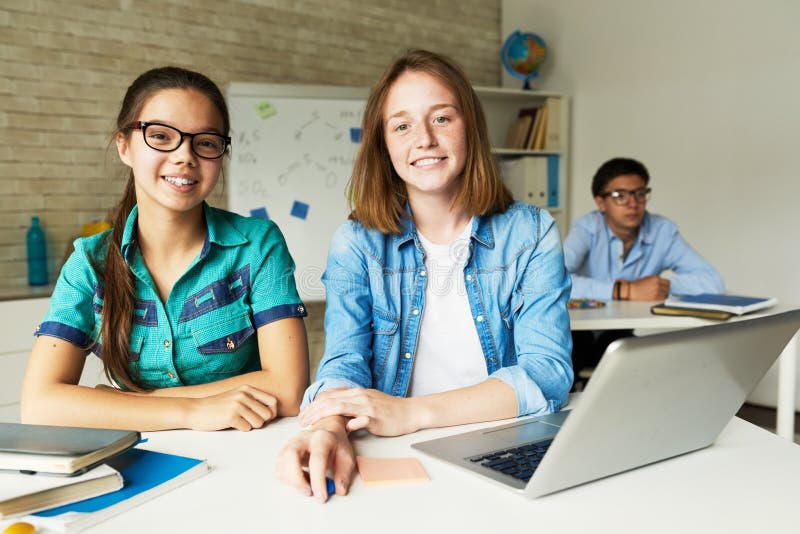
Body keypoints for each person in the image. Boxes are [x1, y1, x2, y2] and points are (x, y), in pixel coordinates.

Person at [276, 50, 573, 502]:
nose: (425, 140)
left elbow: (546, 374)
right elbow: (344, 359)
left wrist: (411, 412)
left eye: (442, 118)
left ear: (470, 127)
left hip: (503, 444)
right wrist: (330, 426)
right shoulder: (355, 242)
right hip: (399, 453)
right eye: (402, 126)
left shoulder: (531, 231)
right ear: (384, 144)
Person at [20, 67, 309, 432]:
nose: (185, 156)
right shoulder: (90, 263)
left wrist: (131, 402)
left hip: (246, 448)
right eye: (160, 136)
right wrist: (191, 412)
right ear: (124, 146)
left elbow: (289, 389)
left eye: (206, 142)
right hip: (142, 455)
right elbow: (39, 404)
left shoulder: (258, 245)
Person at [564, 157, 724, 380]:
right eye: (620, 196)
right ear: (600, 203)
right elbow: (554, 281)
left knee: (654, 370)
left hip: (618, 335)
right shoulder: (587, 228)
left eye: (639, 193)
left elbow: (712, 281)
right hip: (575, 333)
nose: (633, 203)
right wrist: (625, 290)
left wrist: (660, 287)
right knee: (562, 371)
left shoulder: (662, 231)